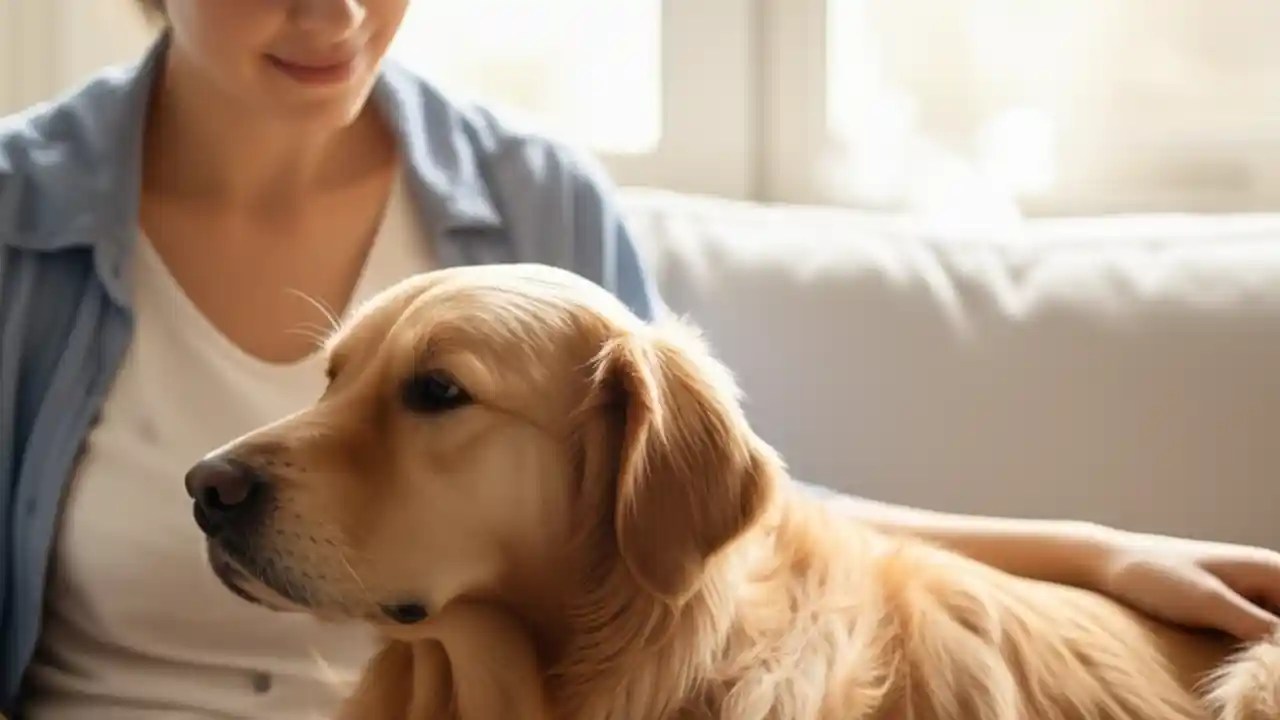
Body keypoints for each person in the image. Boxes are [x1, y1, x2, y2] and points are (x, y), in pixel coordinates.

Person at [1, 1, 1277, 717]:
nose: (333, 10)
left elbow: (684, 508)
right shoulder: (15, 227)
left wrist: (1096, 552)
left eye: (434, 394)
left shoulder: (527, 198)